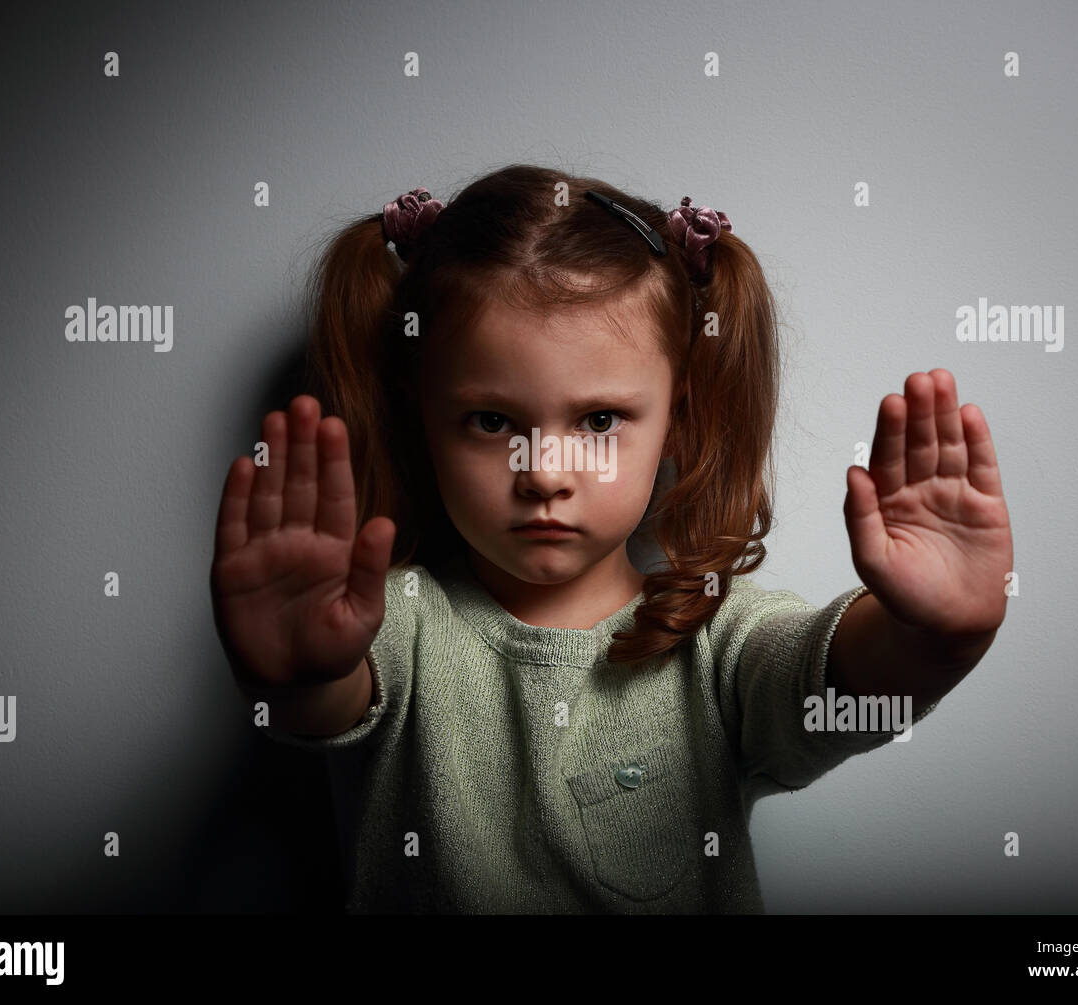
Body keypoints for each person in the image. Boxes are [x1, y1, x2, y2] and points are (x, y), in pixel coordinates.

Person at [209, 163, 1013, 913]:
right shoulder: (396, 623)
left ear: (676, 421)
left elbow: (838, 685)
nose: (544, 472)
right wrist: (297, 672)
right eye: (492, 421)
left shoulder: (715, 641)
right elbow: (331, 698)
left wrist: (935, 636)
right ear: (422, 416)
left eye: (598, 420)